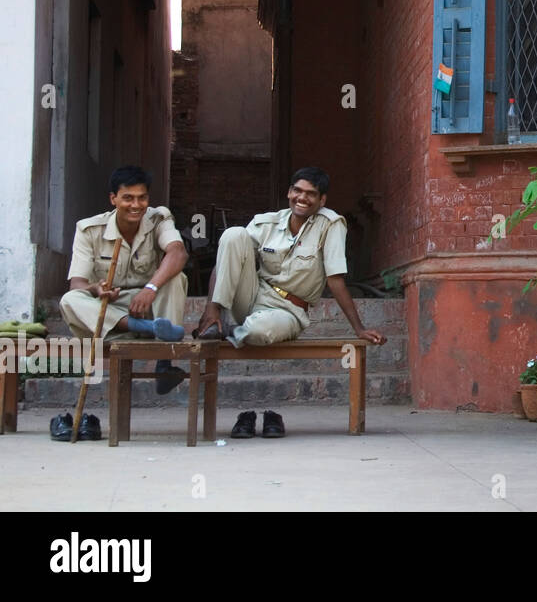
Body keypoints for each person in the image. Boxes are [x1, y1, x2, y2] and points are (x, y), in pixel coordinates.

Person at [192, 167, 385, 439]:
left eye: (311, 194)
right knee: (233, 235)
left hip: (288, 311)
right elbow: (226, 260)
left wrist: (359, 329)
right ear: (289, 192)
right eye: (298, 191)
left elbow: (335, 280)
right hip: (251, 296)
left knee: (260, 330)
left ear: (322, 200)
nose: (302, 198)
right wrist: (211, 309)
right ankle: (219, 322)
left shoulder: (330, 225)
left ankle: (232, 331)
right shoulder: (267, 222)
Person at [51, 166, 189, 441]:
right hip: (108, 312)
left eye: (141, 198)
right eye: (128, 198)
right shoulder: (89, 229)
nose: (136, 205)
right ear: (113, 198)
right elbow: (77, 284)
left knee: (176, 278)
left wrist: (151, 288)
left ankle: (165, 362)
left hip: (148, 305)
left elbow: (178, 252)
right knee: (70, 300)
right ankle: (147, 328)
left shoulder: (160, 218)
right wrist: (95, 288)